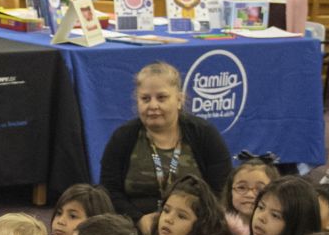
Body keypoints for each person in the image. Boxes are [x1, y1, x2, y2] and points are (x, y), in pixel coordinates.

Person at [98, 62, 232, 223]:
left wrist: (189, 222)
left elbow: (221, 190)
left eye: (162, 98)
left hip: (194, 228)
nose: (153, 105)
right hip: (133, 233)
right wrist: (139, 221)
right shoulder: (123, 137)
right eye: (145, 99)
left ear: (179, 100)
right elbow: (109, 192)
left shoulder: (203, 134)